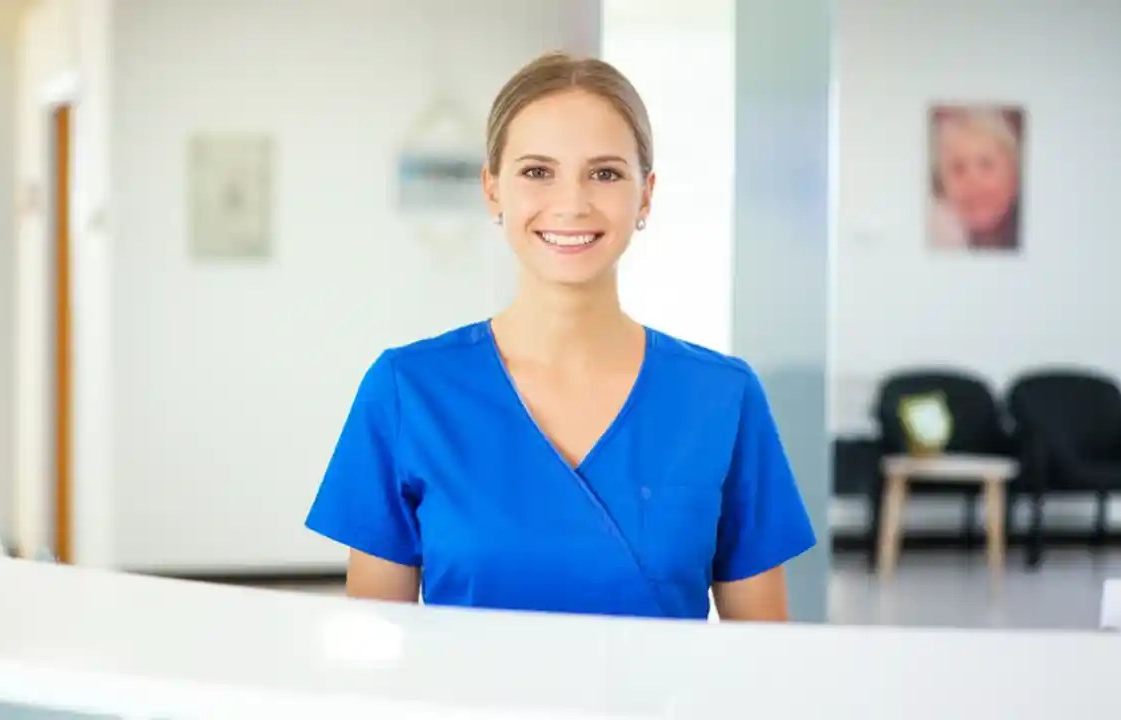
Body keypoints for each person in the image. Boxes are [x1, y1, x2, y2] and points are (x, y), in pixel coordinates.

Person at [304, 51, 815, 621]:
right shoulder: (407, 391)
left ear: (645, 195)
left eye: (604, 173)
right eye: (537, 171)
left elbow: (763, 660)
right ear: (492, 189)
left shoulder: (723, 398)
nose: (571, 204)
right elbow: (380, 653)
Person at [928, 107, 1022, 250]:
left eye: (986, 165)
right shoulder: (940, 236)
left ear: (1014, 176)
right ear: (943, 187)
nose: (972, 181)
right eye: (958, 169)